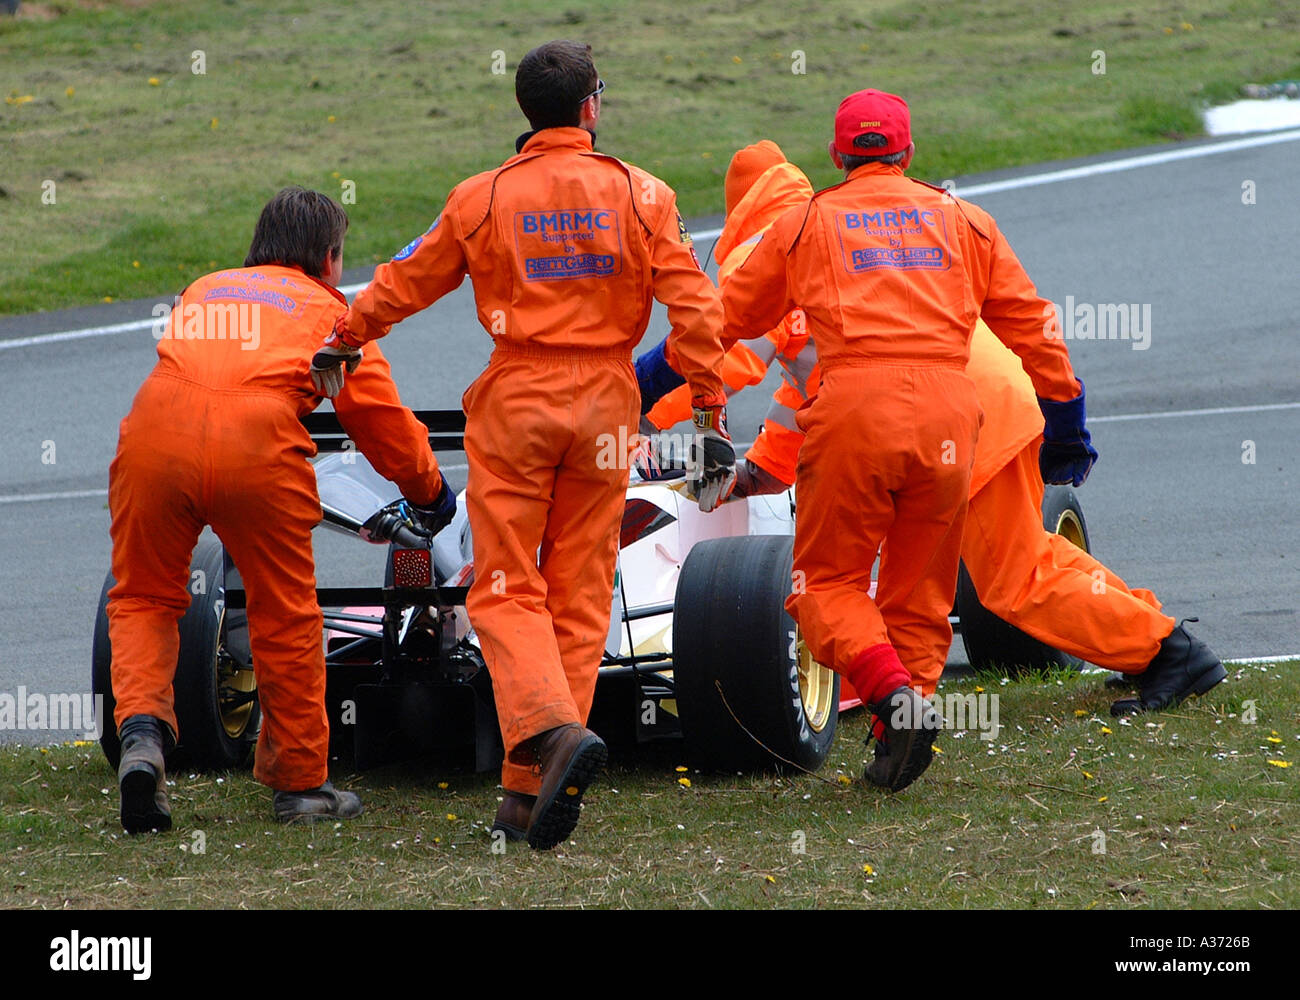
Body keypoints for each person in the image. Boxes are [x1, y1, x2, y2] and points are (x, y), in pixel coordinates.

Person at [311, 41, 731, 849]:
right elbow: (696, 309)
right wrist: (709, 410)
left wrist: (344, 336)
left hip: (519, 401)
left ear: (526, 112)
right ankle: (525, 786)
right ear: (591, 108)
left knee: (504, 586)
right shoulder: (645, 193)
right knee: (577, 594)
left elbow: (404, 280)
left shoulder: (482, 196)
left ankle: (542, 740)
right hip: (609, 407)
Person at [642, 144, 1228, 719]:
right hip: (987, 399)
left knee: (1012, 580)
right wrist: (756, 474)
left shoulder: (778, 249)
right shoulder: (845, 222)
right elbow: (808, 394)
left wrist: (642, 406)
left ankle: (1166, 651)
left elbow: (733, 355)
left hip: (959, 417)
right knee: (1031, 557)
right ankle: (1156, 642)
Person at [711, 92, 1099, 793]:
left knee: (823, 584)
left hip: (856, 412)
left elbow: (723, 323)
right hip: (953, 418)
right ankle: (900, 736)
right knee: (920, 595)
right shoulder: (965, 219)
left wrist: (643, 382)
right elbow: (1035, 326)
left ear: (837, 157)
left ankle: (894, 697)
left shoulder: (805, 221)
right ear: (908, 152)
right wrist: (1068, 428)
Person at [108, 186, 453, 834]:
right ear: (328, 257)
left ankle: (144, 740)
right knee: (283, 613)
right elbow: (380, 423)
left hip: (155, 434)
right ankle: (300, 786)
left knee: (144, 599)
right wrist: (431, 492)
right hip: (258, 451)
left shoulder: (207, 287)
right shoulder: (330, 312)